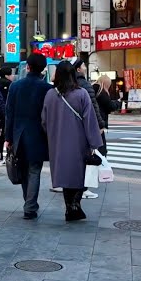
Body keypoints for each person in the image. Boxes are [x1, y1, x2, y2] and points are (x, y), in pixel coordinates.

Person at [43, 61, 104, 221]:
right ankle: (75, 205)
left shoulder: (50, 95)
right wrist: (94, 143)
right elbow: (89, 120)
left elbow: (44, 120)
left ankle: (69, 206)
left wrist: (51, 134)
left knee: (65, 175)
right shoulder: (81, 93)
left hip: (57, 141)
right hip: (78, 141)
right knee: (78, 173)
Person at [5, 52, 53, 219]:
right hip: (39, 135)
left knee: (24, 168)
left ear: (28, 67)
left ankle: (29, 202)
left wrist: (8, 137)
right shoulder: (47, 89)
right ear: (43, 69)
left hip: (19, 135)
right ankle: (30, 205)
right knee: (34, 170)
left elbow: (9, 113)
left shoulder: (15, 86)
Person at [94, 74, 121, 156]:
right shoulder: (101, 92)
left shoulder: (92, 89)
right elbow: (110, 106)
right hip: (99, 121)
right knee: (101, 147)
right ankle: (101, 162)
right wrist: (118, 103)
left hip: (93, 121)